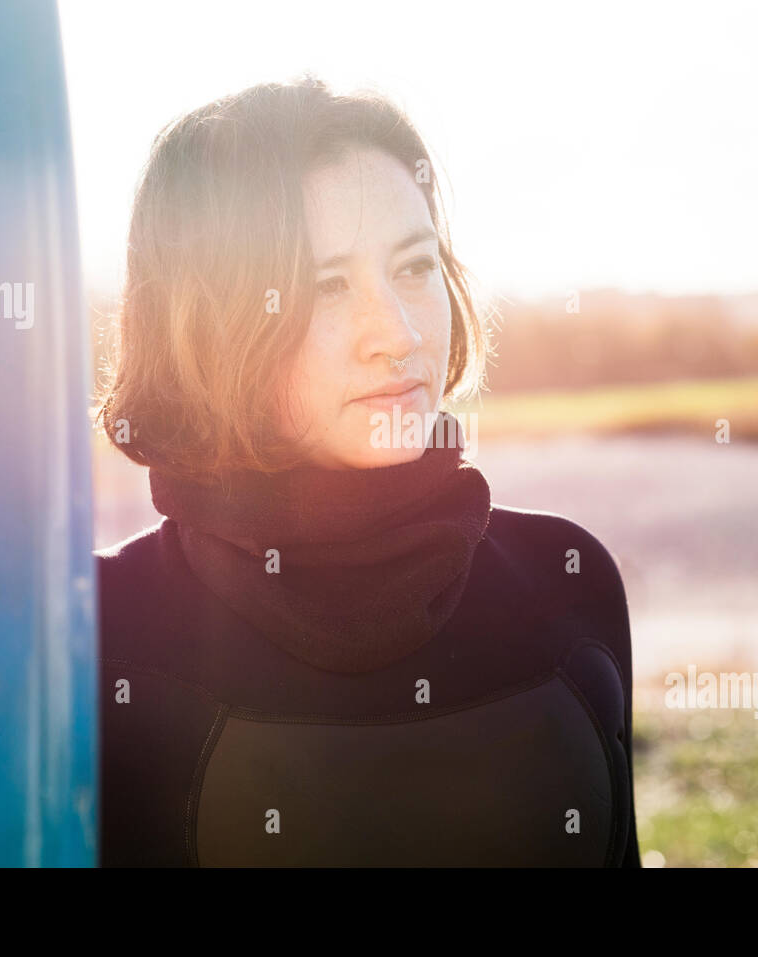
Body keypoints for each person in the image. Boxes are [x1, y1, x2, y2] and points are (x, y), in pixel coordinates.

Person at [94, 74, 639, 866]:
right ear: (209, 323)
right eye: (326, 284)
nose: (397, 331)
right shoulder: (101, 637)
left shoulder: (570, 577)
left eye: (415, 267)